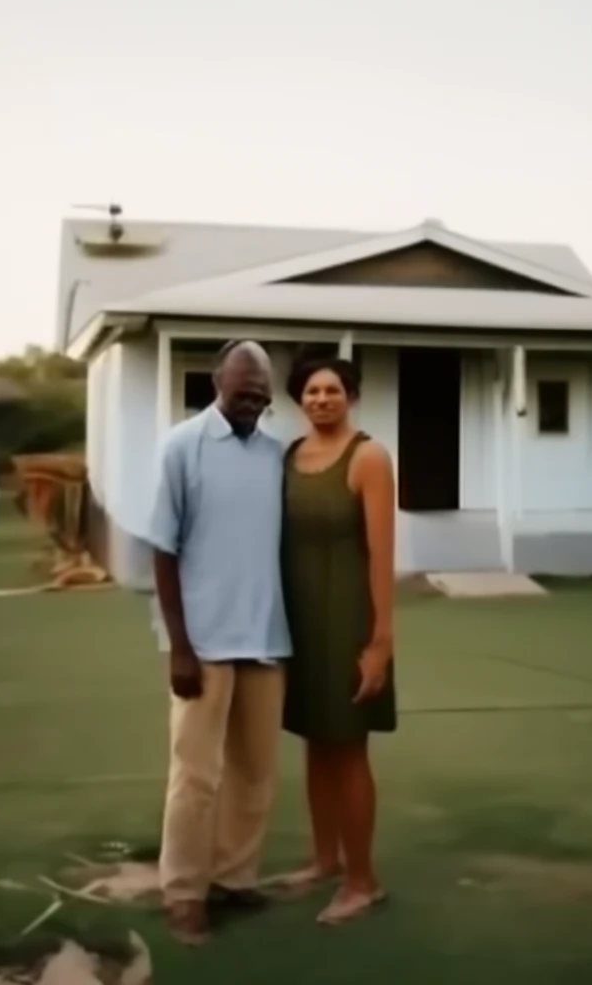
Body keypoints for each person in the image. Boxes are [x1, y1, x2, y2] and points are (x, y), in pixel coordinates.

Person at [144, 340, 291, 945]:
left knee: (255, 772)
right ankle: (183, 893)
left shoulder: (278, 455)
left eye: (261, 394)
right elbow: (163, 549)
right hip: (202, 642)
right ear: (216, 385)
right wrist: (178, 644)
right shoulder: (182, 446)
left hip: (267, 638)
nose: (253, 401)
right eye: (243, 391)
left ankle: (235, 878)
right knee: (196, 774)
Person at [279, 353, 397, 925]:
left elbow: (381, 555)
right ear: (298, 399)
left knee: (348, 748)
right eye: (311, 391)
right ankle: (325, 860)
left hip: (349, 621)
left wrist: (379, 642)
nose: (321, 399)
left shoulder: (369, 457)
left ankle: (362, 880)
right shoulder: (288, 456)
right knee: (315, 742)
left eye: (332, 390)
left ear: (351, 396)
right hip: (299, 623)